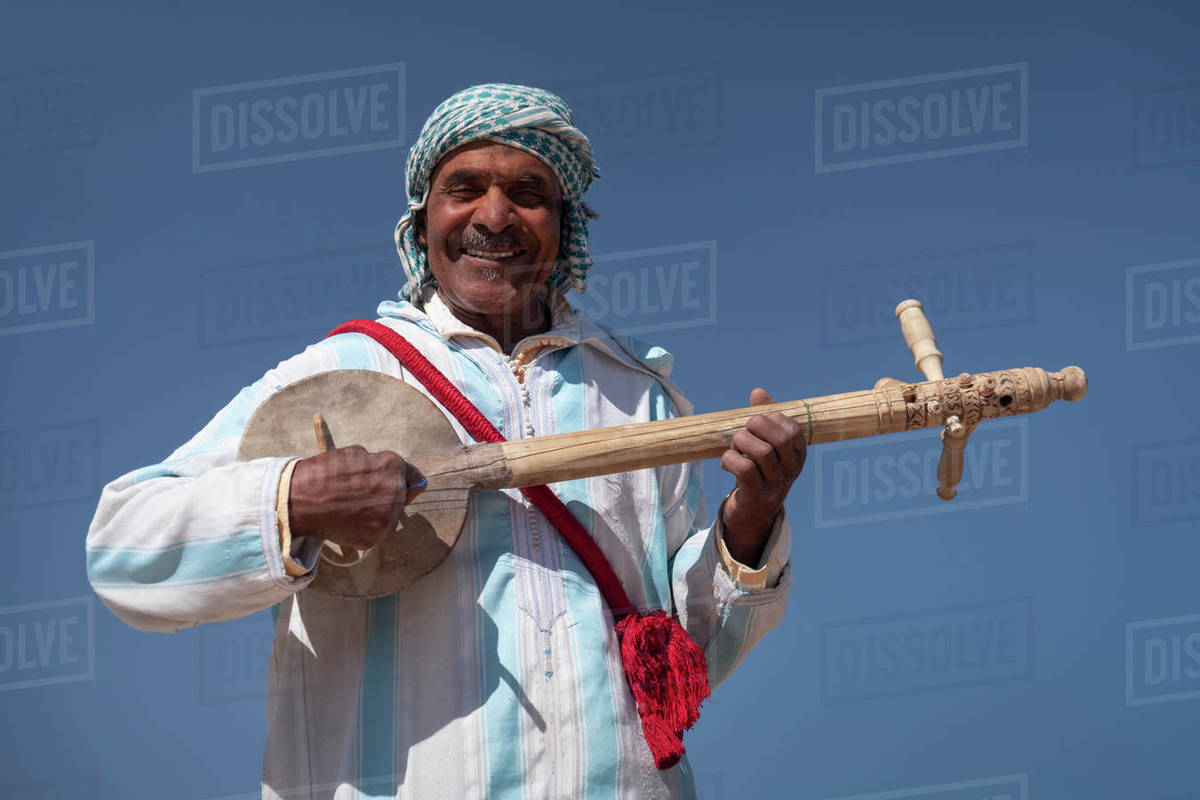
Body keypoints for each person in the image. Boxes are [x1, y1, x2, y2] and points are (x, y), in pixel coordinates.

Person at [86, 84, 807, 799]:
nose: (494, 217)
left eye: (528, 192)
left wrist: (749, 522)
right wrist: (293, 500)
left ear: (566, 224)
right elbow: (122, 551)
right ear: (423, 218)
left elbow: (687, 661)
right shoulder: (341, 371)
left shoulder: (638, 395)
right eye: (465, 188)